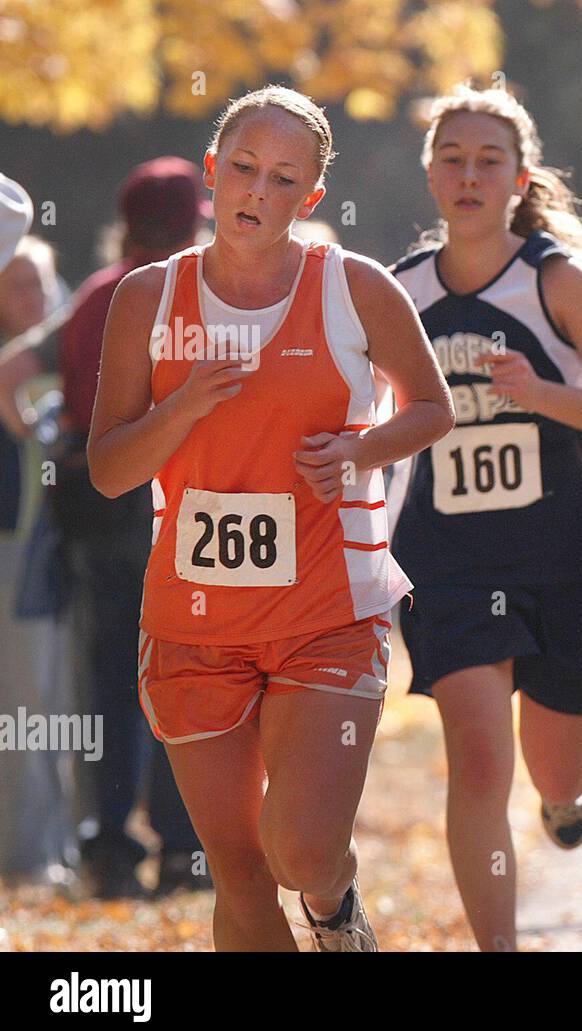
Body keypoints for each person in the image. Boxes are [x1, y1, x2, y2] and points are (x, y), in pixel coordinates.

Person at [87, 86, 453, 950]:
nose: (257, 191)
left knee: (302, 849)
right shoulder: (147, 298)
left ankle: (334, 909)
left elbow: (430, 408)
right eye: (243, 169)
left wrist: (360, 452)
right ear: (213, 172)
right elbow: (107, 471)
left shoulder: (352, 288)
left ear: (312, 197)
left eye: (284, 178)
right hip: (192, 622)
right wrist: (180, 412)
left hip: (325, 608)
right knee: (239, 868)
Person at [388, 84, 582, 952]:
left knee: (552, 766)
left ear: (519, 177)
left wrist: (541, 395)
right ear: (430, 176)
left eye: (487, 161)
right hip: (449, 562)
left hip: (566, 553)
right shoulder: (400, 292)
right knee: (477, 756)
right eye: (451, 159)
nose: (468, 175)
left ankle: (569, 797)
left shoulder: (553, 281)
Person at [0, 160, 221, 900]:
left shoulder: (99, 295)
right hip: (181, 501)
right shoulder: (201, 289)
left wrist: (40, 434)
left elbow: (11, 371)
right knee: (183, 672)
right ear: (195, 215)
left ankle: (109, 853)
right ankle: (184, 848)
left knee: (110, 682)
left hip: (98, 503)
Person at [0, 233, 77, 890]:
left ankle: (52, 849)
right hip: (15, 556)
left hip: (62, 559)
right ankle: (28, 856)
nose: (33, 297)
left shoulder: (71, 360)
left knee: (51, 705)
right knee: (24, 708)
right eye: (16, 284)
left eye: (40, 284)